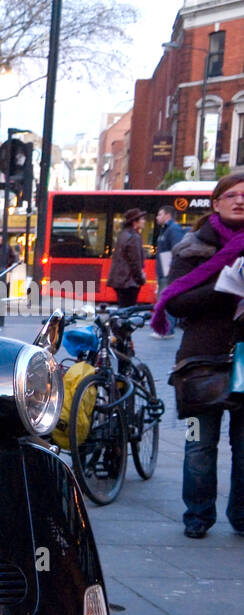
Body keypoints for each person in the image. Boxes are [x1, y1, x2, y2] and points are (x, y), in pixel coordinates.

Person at [154, 174, 244, 539]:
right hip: (200, 362)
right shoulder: (192, 248)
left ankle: (241, 516)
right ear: (217, 203)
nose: (240, 200)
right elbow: (175, 301)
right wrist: (225, 288)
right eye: (233, 194)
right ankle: (198, 515)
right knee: (198, 445)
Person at [153, 205, 187, 338]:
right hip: (164, 273)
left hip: (168, 273)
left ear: (167, 215)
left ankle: (167, 330)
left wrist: (171, 271)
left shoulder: (173, 230)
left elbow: (177, 250)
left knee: (165, 301)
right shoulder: (166, 230)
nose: (157, 217)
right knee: (163, 300)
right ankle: (165, 329)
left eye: (159, 214)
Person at [107, 208, 147, 309]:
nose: (144, 221)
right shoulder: (134, 237)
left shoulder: (123, 234)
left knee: (122, 309)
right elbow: (135, 262)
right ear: (135, 222)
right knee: (128, 312)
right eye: (142, 219)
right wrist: (140, 279)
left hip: (121, 281)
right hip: (129, 282)